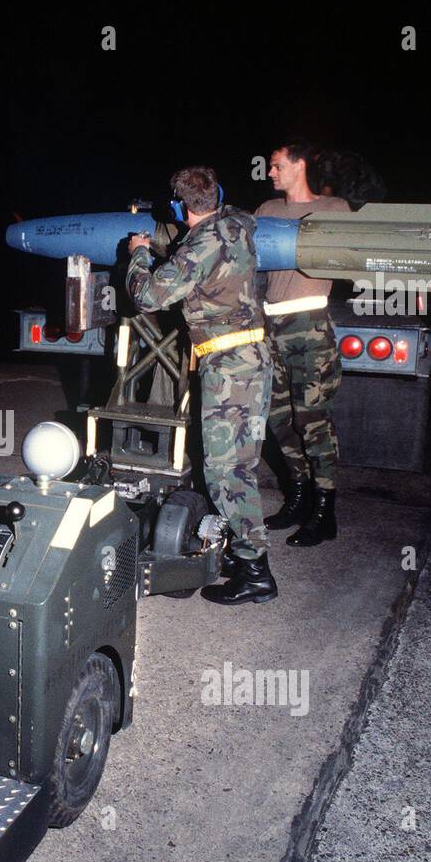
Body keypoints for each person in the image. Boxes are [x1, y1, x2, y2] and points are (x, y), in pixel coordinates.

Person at [127, 167, 278, 605]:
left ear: (179, 207)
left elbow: (148, 296)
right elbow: (205, 248)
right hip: (250, 360)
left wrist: (138, 253)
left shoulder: (200, 243)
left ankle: (256, 573)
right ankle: (240, 551)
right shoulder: (238, 223)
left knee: (225, 473)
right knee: (240, 466)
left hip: (229, 369)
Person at [256, 142, 352, 547]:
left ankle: (324, 511)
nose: (270, 173)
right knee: (279, 419)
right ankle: (297, 496)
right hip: (270, 323)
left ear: (299, 165)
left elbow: (349, 261)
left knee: (312, 421)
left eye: (277, 166)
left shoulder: (334, 210)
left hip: (309, 325)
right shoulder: (266, 210)